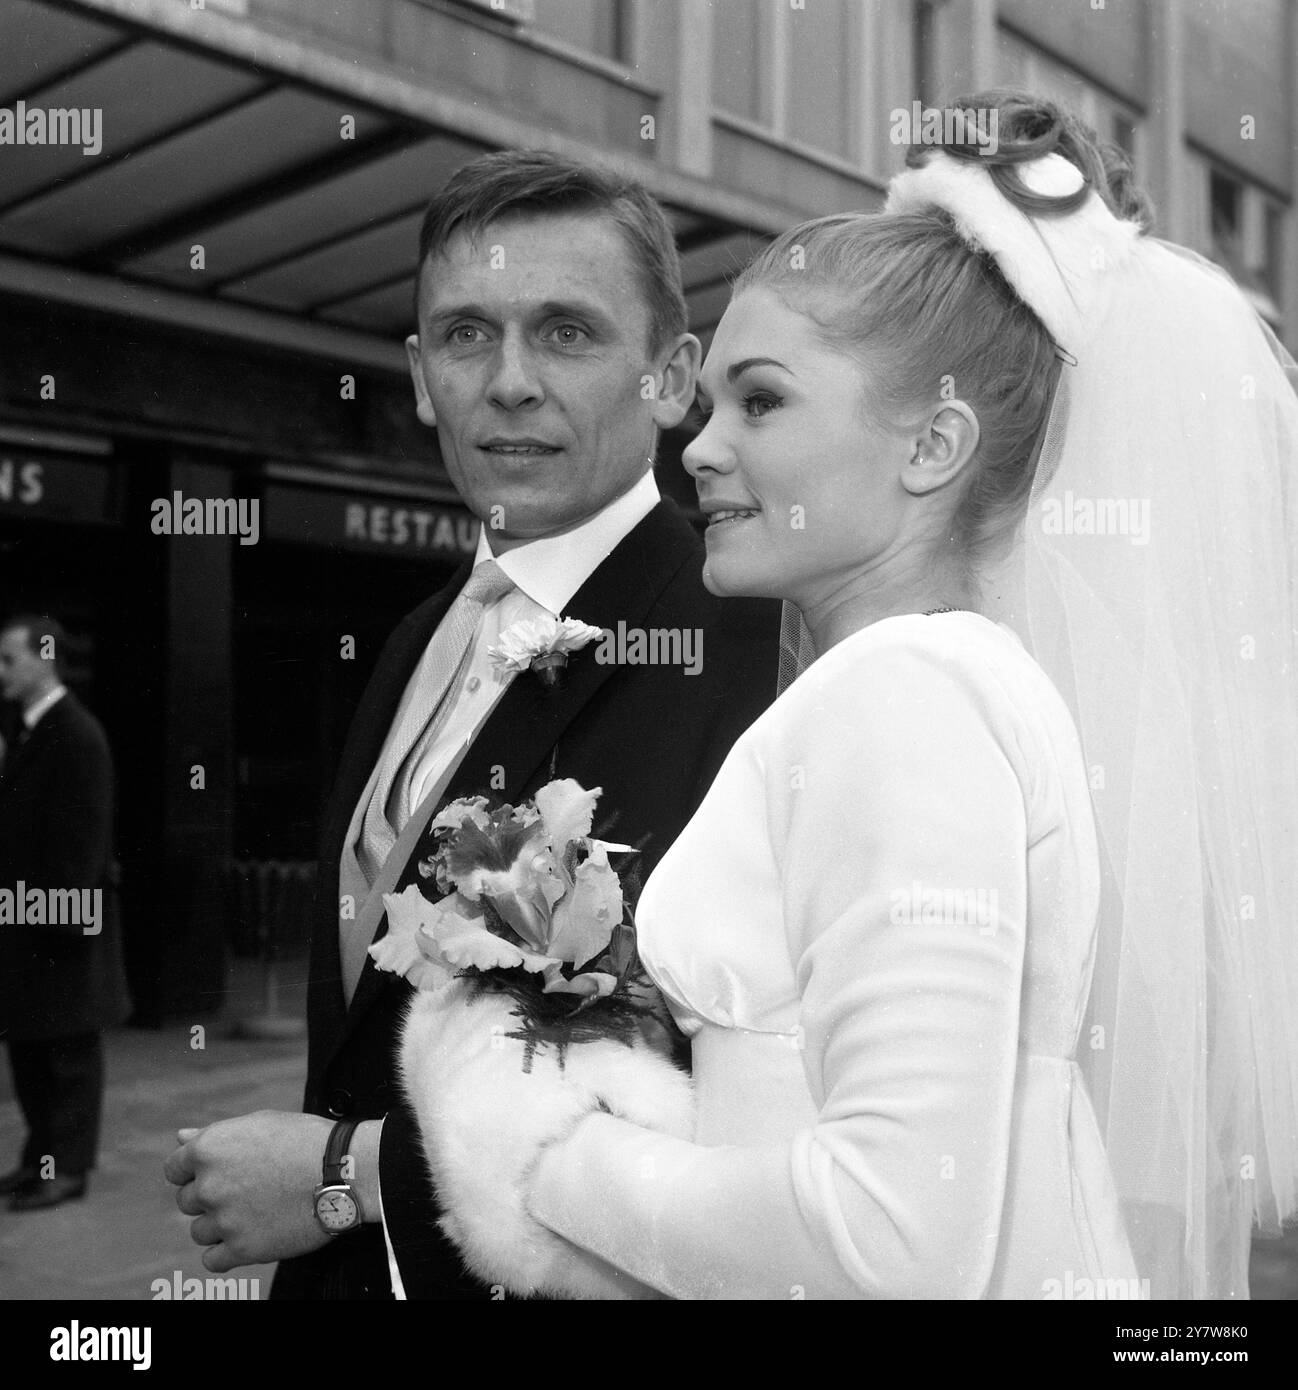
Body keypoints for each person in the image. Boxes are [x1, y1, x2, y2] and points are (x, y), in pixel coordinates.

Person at [411, 94, 1298, 1299]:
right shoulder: (929, 689)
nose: (699, 447)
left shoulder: (903, 707)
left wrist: (538, 1155)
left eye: (761, 400)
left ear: (930, 446)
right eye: (712, 401)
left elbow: (888, 1238)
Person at [162, 150, 779, 1298]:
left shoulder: (753, 648)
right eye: (463, 334)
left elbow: (738, 1102)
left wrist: (351, 1175)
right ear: (414, 373)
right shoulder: (414, 639)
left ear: (671, 375)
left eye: (566, 332)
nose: (508, 382)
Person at [0, 613, 130, 1211]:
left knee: (66, 1055)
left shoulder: (75, 733)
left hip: (59, 930)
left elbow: (82, 845)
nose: (1, 672)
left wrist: (57, 929)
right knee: (32, 1052)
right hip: (29, 926)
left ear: (44, 659)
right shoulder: (31, 730)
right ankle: (38, 1160)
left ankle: (66, 1169)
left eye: (9, 660)